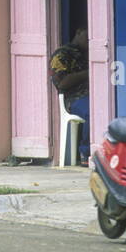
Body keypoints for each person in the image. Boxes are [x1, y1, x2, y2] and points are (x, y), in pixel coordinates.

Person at [49, 28, 90, 165]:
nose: (89, 39)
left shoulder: (94, 52)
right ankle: (86, 153)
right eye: (87, 35)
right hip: (75, 98)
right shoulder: (62, 55)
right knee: (92, 111)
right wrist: (87, 73)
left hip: (96, 94)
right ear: (78, 32)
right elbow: (61, 83)